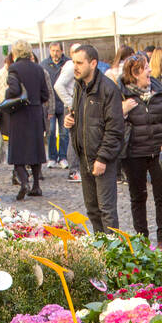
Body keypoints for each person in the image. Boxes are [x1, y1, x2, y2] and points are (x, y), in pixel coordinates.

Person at [64, 43, 125, 234]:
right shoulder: (79, 86)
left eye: (80, 63)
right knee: (92, 209)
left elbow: (115, 129)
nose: (75, 67)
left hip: (101, 159)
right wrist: (71, 121)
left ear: (93, 63)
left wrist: (103, 158)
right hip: (84, 156)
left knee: (106, 210)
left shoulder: (108, 89)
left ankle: (113, 252)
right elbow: (83, 118)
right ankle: (100, 247)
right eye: (74, 62)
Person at [120, 53, 162, 248]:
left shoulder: (158, 91)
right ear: (134, 73)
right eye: (145, 68)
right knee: (138, 197)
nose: (150, 70)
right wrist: (122, 111)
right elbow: (113, 125)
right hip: (134, 154)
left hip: (158, 153)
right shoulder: (122, 95)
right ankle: (142, 239)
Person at [4, 39, 49, 200]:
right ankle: (36, 185)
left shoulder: (14, 68)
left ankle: (24, 182)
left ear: (15, 53)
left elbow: (14, 89)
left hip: (20, 113)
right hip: (36, 112)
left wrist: (6, 96)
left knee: (18, 151)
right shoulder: (38, 68)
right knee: (36, 150)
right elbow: (45, 94)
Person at [52, 47, 82, 182]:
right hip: (71, 107)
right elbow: (58, 86)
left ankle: (76, 169)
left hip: (74, 105)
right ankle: (74, 170)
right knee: (73, 137)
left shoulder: (71, 65)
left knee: (75, 137)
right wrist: (71, 103)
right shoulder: (71, 66)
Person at [43, 41, 68, 169]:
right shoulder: (44, 65)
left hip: (64, 102)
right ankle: (52, 157)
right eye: (53, 50)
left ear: (61, 51)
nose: (55, 53)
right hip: (50, 103)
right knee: (51, 131)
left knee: (64, 132)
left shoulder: (67, 63)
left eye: (57, 50)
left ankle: (63, 156)